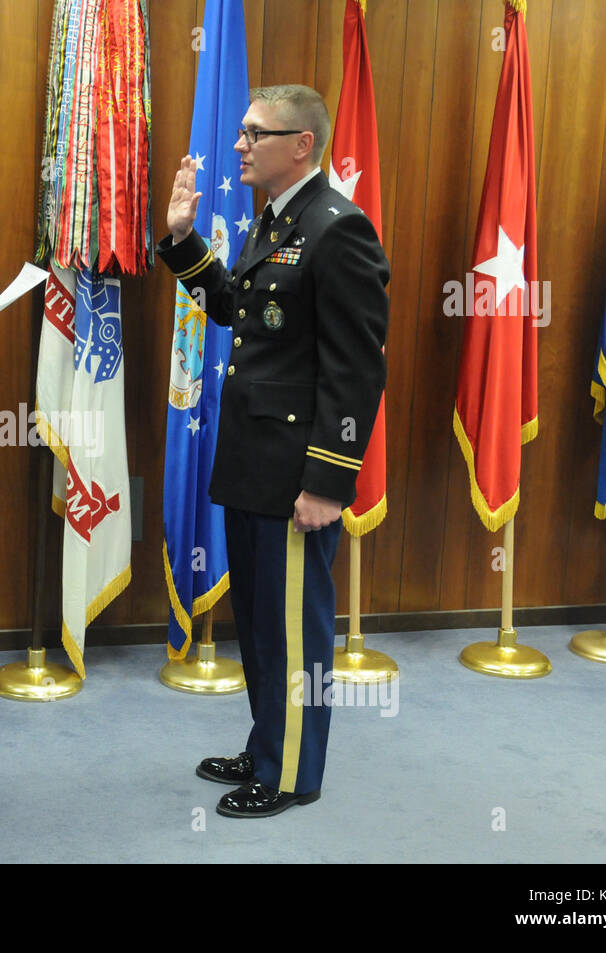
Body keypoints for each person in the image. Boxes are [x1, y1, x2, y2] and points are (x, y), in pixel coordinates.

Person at [157, 84, 389, 818]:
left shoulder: (337, 228)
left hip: (297, 472)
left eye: (256, 133)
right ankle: (266, 745)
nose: (238, 145)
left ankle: (292, 772)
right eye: (242, 131)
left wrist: (328, 481)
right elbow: (236, 307)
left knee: (294, 629)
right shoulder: (277, 220)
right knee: (260, 622)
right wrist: (182, 240)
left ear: (302, 145)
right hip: (254, 460)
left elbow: (357, 370)